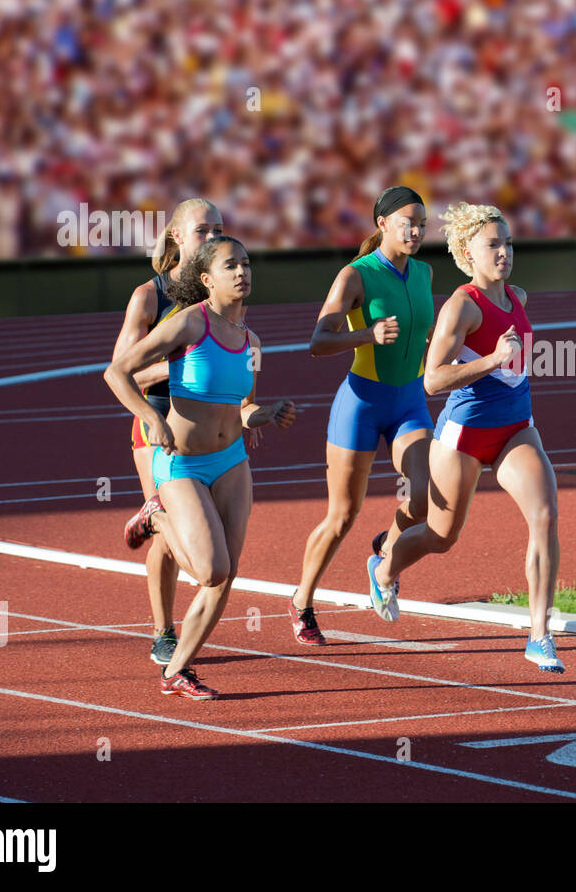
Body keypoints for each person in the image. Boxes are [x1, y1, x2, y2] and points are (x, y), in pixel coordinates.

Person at [368, 202, 564, 674]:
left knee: (544, 514)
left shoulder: (517, 295)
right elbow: (432, 381)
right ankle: (385, 567)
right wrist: (493, 360)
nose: (503, 252)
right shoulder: (462, 306)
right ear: (467, 253)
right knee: (441, 536)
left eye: (508, 243)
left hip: (517, 429)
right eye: (492, 245)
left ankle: (539, 634)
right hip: (463, 435)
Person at [105, 235, 296, 699]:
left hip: (232, 461)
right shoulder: (191, 324)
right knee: (210, 570)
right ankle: (159, 516)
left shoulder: (253, 341)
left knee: (226, 575)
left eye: (247, 264)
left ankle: (178, 672)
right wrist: (151, 416)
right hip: (183, 463)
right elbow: (116, 372)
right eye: (231, 265)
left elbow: (243, 406)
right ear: (207, 279)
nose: (242, 272)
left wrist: (264, 413)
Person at [290, 187, 435, 645]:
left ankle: (385, 553)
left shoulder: (426, 273)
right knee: (342, 515)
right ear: (382, 224)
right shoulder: (356, 275)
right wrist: (368, 334)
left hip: (409, 401)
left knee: (424, 497)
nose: (415, 231)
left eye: (422, 224)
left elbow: (425, 334)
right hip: (361, 404)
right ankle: (301, 603)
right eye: (407, 222)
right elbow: (317, 341)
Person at [113, 198, 223, 669]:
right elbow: (123, 372)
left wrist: (245, 410)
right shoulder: (150, 296)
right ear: (177, 237)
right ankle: (163, 632)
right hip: (155, 426)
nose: (214, 237)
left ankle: (153, 517)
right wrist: (174, 364)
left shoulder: (218, 291)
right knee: (171, 532)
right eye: (203, 230)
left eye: (219, 229)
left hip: (205, 429)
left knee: (204, 532)